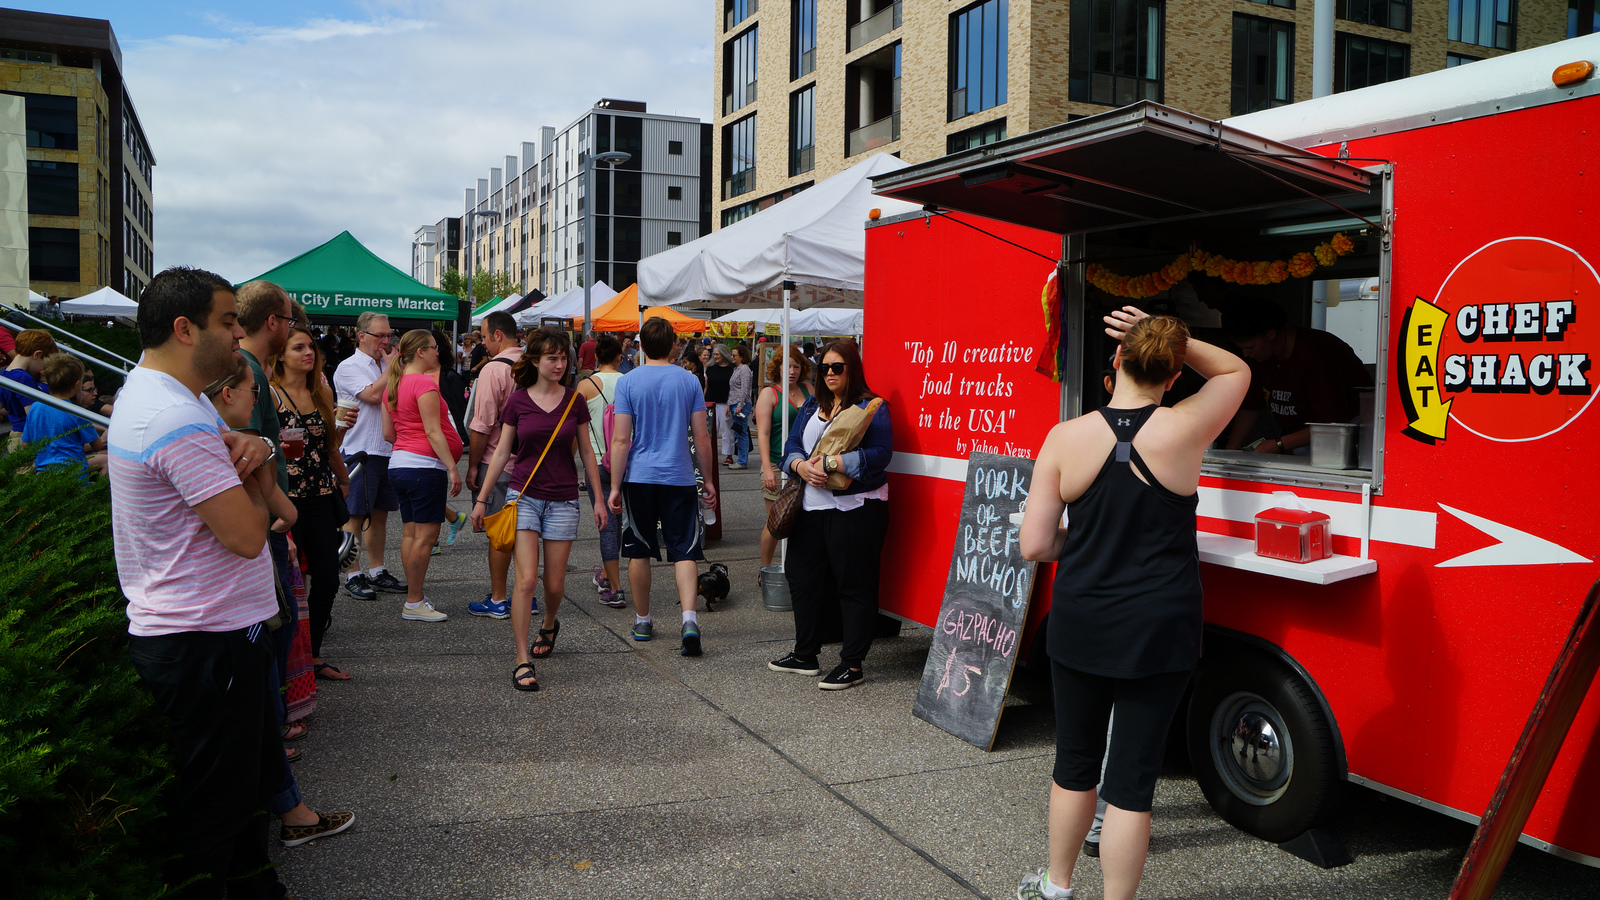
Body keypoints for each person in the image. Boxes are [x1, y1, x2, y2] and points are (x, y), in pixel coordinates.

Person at [111, 267, 346, 900]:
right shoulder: (176, 419)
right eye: (227, 321)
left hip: (205, 634)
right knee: (215, 810)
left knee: (237, 798)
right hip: (205, 640)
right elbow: (249, 533)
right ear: (185, 329)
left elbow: (260, 492)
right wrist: (258, 457)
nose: (239, 333)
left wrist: (255, 450)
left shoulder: (168, 398)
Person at [1015, 308, 1249, 900]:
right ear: (1174, 378)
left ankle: (1056, 886)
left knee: (1075, 767)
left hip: (1081, 620)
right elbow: (1235, 372)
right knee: (1132, 785)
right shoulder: (1184, 427)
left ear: (1114, 361)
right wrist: (1177, 340)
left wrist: (1086, 538)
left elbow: (1036, 544)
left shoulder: (1064, 438)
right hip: (1160, 628)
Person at [472, 327, 605, 691]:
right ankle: (521, 659)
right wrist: (483, 498)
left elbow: (588, 452)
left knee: (555, 584)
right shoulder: (517, 401)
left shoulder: (574, 401)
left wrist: (598, 498)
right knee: (527, 580)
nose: (560, 364)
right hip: (523, 496)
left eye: (564, 358)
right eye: (552, 358)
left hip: (563, 498)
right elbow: (502, 452)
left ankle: (549, 622)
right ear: (534, 360)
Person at [769, 339, 893, 690]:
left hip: (854, 508)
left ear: (852, 369)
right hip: (809, 506)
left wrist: (832, 462)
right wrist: (799, 466)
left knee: (853, 584)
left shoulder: (872, 407)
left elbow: (881, 454)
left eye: (837, 367)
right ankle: (805, 653)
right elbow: (791, 445)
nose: (830, 374)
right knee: (802, 577)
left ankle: (852, 664)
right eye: (824, 367)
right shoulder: (813, 404)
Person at [607, 315, 717, 656]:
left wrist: (614, 486)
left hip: (639, 477)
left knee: (639, 549)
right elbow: (701, 435)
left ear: (640, 343)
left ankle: (643, 620)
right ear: (673, 343)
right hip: (679, 476)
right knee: (685, 550)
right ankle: (689, 620)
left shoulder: (628, 382)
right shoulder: (689, 381)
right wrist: (709, 479)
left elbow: (621, 439)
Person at [270, 326, 354, 680]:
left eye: (311, 348)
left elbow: (328, 445)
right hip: (286, 498)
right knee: (289, 581)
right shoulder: (271, 395)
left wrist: (344, 476)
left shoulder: (319, 390)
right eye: (298, 347)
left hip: (321, 494)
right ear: (281, 354)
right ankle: (288, 662)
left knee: (327, 579)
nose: (308, 353)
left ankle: (314, 654)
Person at [381, 329, 464, 622]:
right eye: (432, 347)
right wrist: (453, 467)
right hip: (424, 468)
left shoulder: (394, 384)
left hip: (401, 464)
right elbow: (433, 430)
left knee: (411, 534)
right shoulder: (424, 384)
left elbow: (388, 433)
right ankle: (414, 600)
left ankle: (413, 597)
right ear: (419, 352)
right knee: (426, 537)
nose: (437, 352)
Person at [1221, 297, 1370, 454]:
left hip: (1342, 441)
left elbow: (1332, 422)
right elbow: (1250, 407)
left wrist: (1277, 444)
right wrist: (1230, 451)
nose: (1246, 354)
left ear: (1270, 334)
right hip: (1295, 436)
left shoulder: (1317, 354)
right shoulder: (1261, 357)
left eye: (1250, 347)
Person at [334, 312, 406, 601]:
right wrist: (390, 367)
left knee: (380, 515)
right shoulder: (349, 366)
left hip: (386, 449)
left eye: (389, 335)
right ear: (361, 335)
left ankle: (377, 570)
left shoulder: (386, 363)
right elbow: (374, 396)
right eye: (380, 336)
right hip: (359, 449)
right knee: (354, 514)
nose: (386, 341)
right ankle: (352, 573)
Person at [465, 311, 525, 619]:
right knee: (525, 532)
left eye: (485, 338)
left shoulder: (494, 370)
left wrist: (473, 466)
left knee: (500, 534)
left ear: (498, 335)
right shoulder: (533, 364)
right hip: (529, 463)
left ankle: (499, 598)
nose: (484, 344)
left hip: (498, 461)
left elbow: (482, 425)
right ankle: (523, 594)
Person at [577, 333, 626, 608]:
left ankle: (614, 587)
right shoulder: (630, 382)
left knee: (607, 525)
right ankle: (608, 574)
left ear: (595, 357)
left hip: (597, 461)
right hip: (627, 460)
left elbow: (575, 428)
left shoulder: (585, 386)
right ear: (620, 356)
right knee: (620, 522)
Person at [756, 345, 814, 571]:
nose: (792, 371)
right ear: (777, 367)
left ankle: (797, 568)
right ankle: (766, 569)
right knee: (776, 522)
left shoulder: (809, 389)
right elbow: (763, 433)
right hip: (776, 463)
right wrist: (767, 469)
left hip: (806, 464)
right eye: (787, 366)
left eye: (796, 366)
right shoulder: (769, 394)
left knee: (803, 521)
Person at [21, 353, 105, 477]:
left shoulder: (35, 407)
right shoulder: (76, 412)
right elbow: (97, 445)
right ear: (77, 384)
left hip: (44, 473)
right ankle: (99, 493)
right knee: (106, 460)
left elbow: (25, 444)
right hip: (73, 474)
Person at [3, 328, 58, 449]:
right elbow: (34, 414)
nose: (43, 370)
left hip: (16, 431)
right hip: (27, 436)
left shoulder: (5, 374)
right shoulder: (23, 378)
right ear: (37, 355)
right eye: (45, 363)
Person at [705, 343, 735, 465]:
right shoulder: (710, 368)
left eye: (717, 354)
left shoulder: (732, 368)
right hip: (710, 402)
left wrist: (731, 403)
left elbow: (734, 387)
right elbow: (706, 385)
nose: (715, 356)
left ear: (723, 354)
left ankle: (729, 455)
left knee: (727, 430)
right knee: (709, 431)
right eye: (714, 354)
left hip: (725, 402)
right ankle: (708, 454)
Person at [726, 344, 753, 470]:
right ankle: (741, 458)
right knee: (738, 431)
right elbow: (733, 389)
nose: (732, 357)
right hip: (733, 403)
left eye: (734, 355)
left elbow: (745, 389)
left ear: (741, 357)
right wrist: (729, 405)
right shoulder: (736, 369)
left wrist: (740, 405)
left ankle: (742, 460)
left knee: (741, 432)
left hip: (740, 404)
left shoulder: (744, 370)